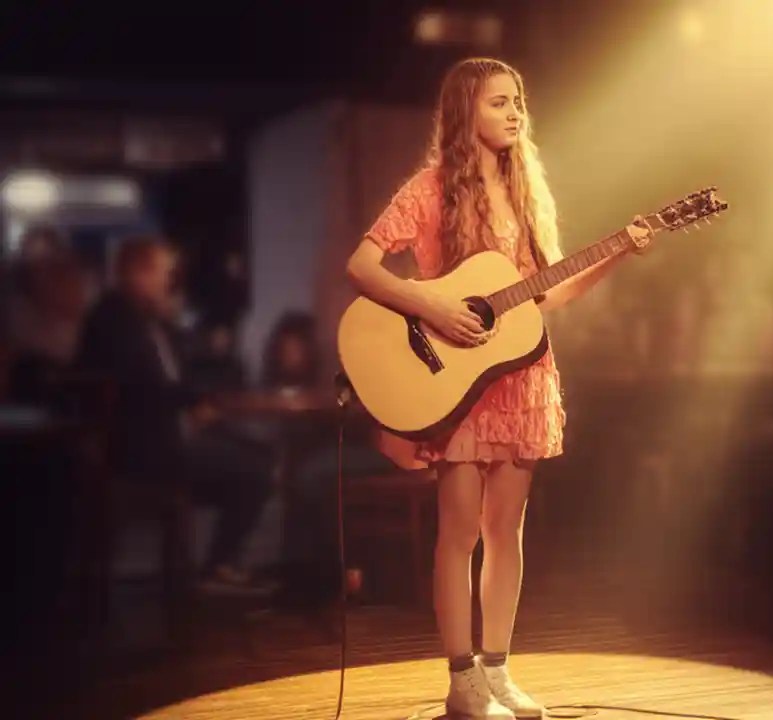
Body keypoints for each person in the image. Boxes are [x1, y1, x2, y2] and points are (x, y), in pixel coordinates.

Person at [345, 57, 650, 720]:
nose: (514, 113)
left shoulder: (526, 191)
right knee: (459, 531)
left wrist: (618, 252)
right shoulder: (429, 189)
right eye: (498, 102)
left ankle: (497, 671)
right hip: (455, 379)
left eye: (518, 101)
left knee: (505, 531)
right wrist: (430, 303)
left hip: (522, 374)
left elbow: (549, 294)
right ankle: (461, 682)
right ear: (465, 112)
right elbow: (362, 267)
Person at [77, 236, 274, 592]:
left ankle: (218, 565)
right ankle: (217, 567)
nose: (168, 282)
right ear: (136, 273)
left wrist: (200, 396)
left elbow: (182, 372)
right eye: (163, 273)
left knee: (258, 454)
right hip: (140, 448)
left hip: (169, 434)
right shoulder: (113, 318)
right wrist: (195, 400)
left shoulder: (151, 319)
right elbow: (143, 385)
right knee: (253, 469)